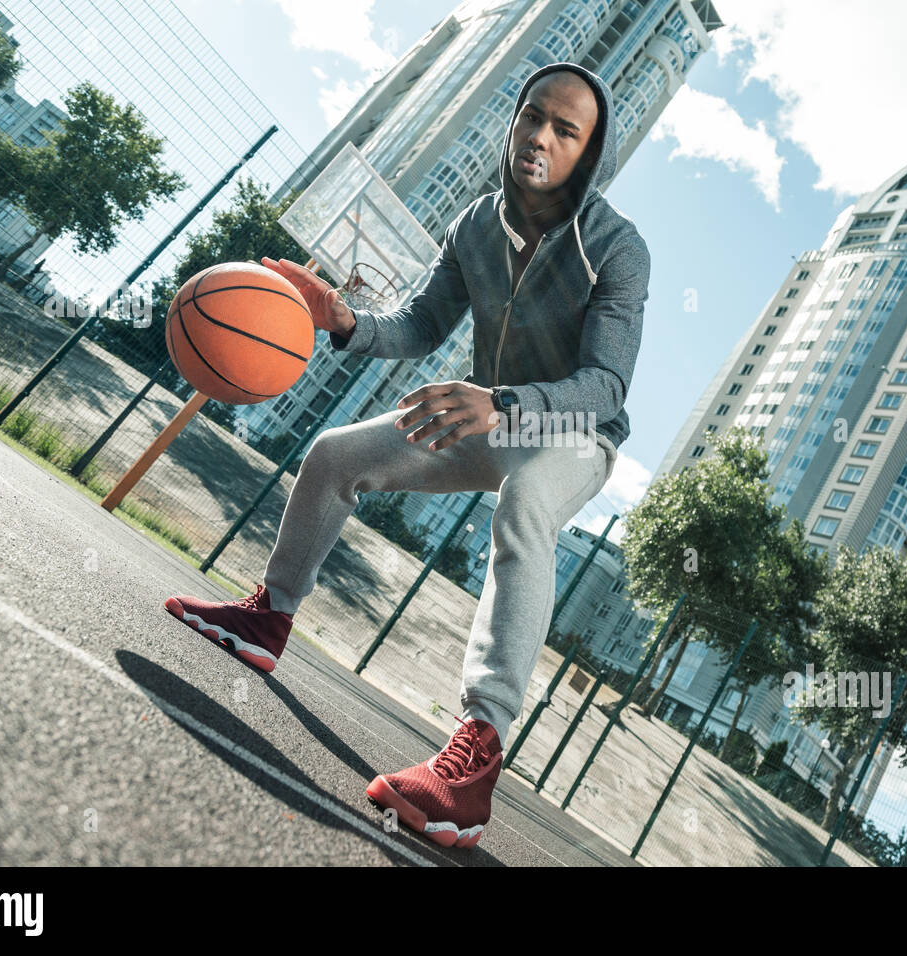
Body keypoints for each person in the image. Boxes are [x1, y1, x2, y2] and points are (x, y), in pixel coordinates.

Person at [163, 61, 651, 850]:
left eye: (567, 130)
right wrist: (345, 320)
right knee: (333, 454)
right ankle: (267, 618)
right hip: (487, 420)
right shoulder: (474, 226)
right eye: (534, 115)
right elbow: (422, 325)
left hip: (570, 436)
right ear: (515, 120)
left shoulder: (618, 248)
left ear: (589, 154)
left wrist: (505, 403)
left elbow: (605, 385)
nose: (541, 136)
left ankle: (475, 758)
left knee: (526, 505)